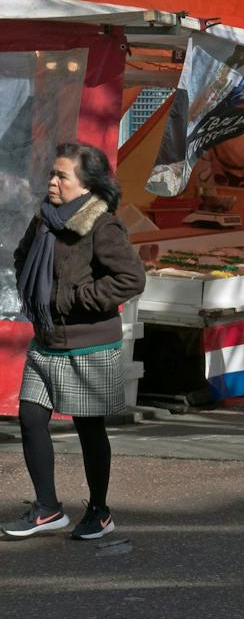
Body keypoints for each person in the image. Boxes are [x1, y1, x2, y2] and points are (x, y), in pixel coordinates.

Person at [4, 143, 146, 539]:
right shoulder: (44, 220)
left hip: (88, 343)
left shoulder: (103, 225)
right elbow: (22, 256)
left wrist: (68, 298)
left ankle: (99, 511)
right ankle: (47, 508)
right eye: (52, 174)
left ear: (85, 185)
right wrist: (34, 290)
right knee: (31, 419)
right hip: (47, 338)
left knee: (89, 429)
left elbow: (131, 279)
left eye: (61, 176)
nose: (51, 181)